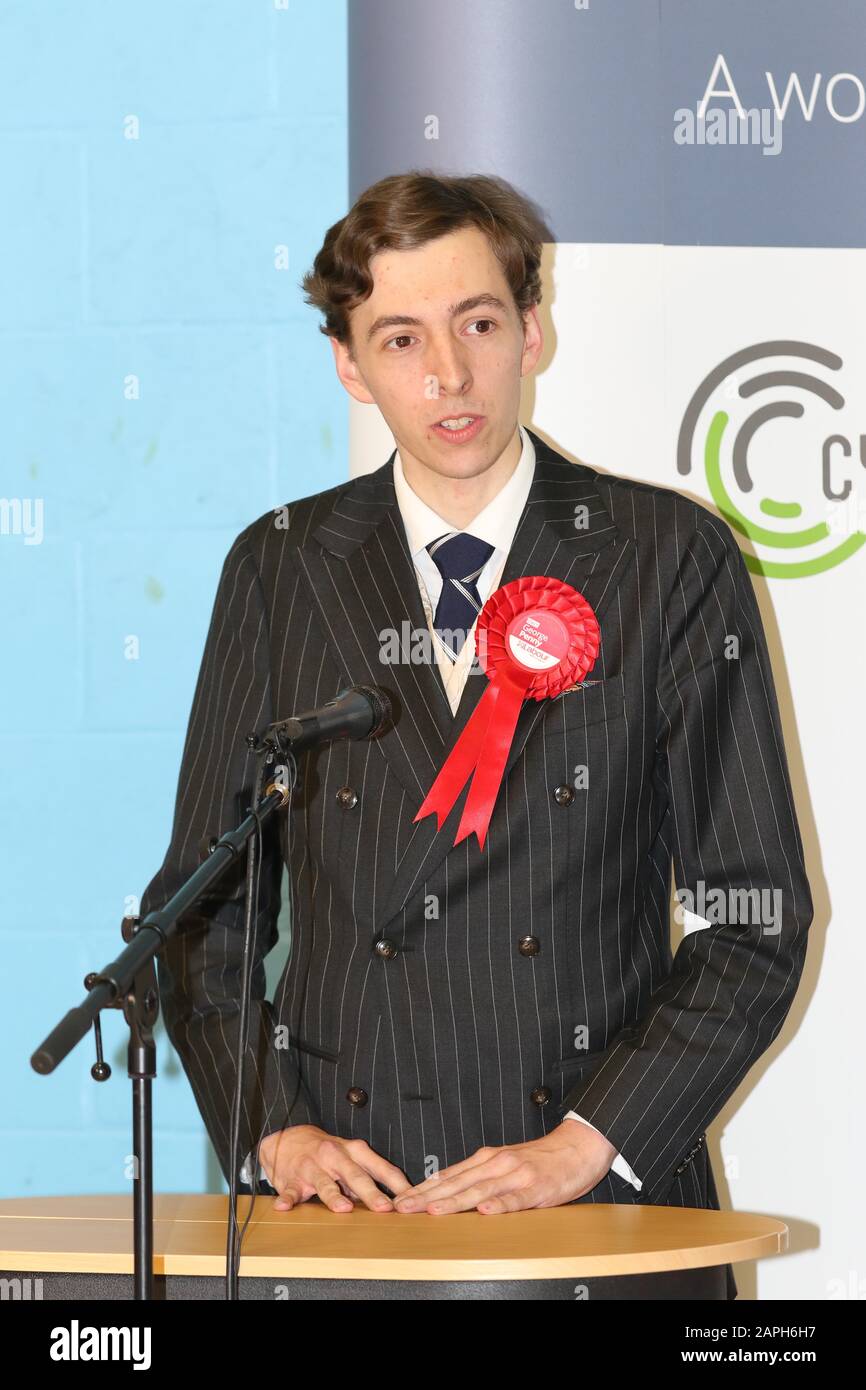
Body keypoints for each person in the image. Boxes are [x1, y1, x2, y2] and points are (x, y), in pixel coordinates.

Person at [138, 171, 813, 1300]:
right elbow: (202, 911)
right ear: (349, 364)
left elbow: (754, 915)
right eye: (399, 339)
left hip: (607, 1210)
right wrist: (272, 1132)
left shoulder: (665, 557)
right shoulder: (280, 567)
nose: (446, 375)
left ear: (531, 330)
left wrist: (589, 1141)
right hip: (349, 1213)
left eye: (478, 324)